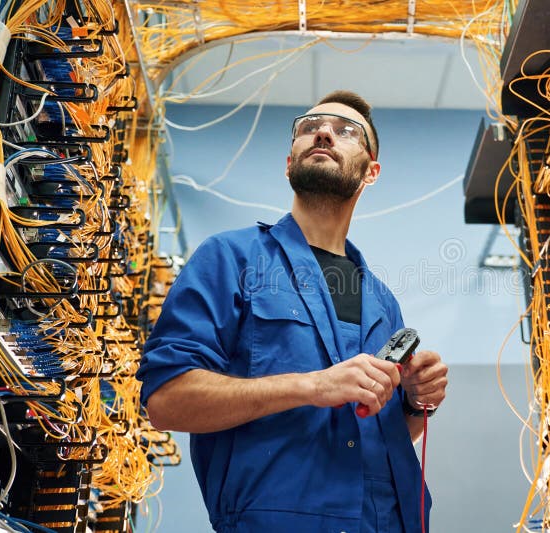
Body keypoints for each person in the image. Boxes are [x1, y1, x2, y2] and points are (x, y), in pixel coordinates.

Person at [136, 90, 449, 533]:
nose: (323, 133)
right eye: (309, 127)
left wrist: (416, 403)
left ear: (371, 171)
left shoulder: (382, 302)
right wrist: (313, 386)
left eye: (347, 131)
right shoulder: (230, 259)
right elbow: (167, 402)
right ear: (289, 164)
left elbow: (383, 432)